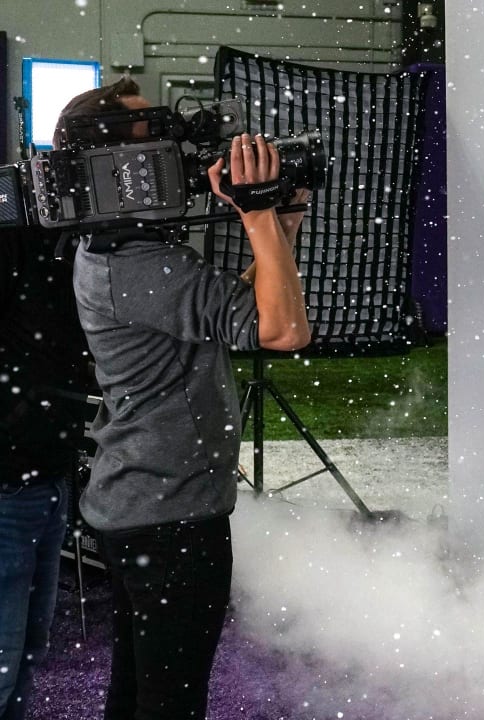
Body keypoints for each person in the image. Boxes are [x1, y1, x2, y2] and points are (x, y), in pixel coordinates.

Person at [64, 77, 312, 719]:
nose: (178, 144)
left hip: (144, 506)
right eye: (156, 133)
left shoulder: (117, 247)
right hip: (168, 516)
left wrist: (279, 223)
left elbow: (232, 313)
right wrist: (255, 216)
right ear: (114, 160)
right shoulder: (137, 263)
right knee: (171, 701)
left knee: (141, 688)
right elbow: (282, 330)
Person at [0, 222, 97, 720]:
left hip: (48, 484)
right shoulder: (15, 242)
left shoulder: (72, 248)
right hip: (11, 491)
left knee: (22, 666)